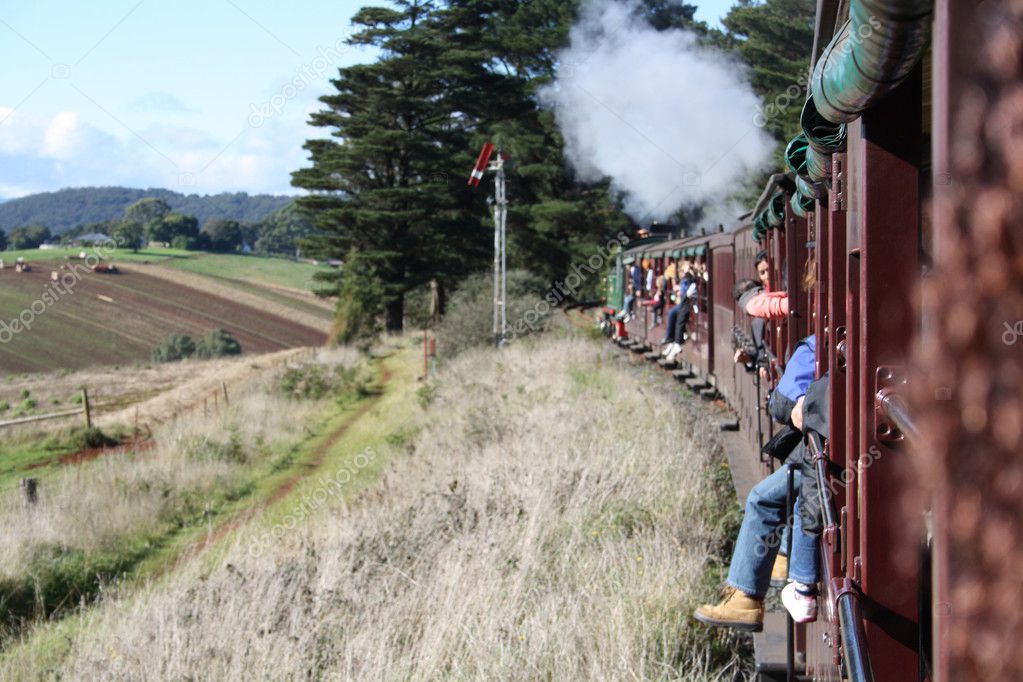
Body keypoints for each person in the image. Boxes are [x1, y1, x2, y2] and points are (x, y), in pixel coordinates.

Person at [694, 335, 818, 632]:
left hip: (823, 458)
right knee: (779, 493)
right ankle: (765, 574)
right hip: (824, 455)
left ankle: (747, 598)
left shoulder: (818, 342)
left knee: (764, 498)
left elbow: (783, 402)